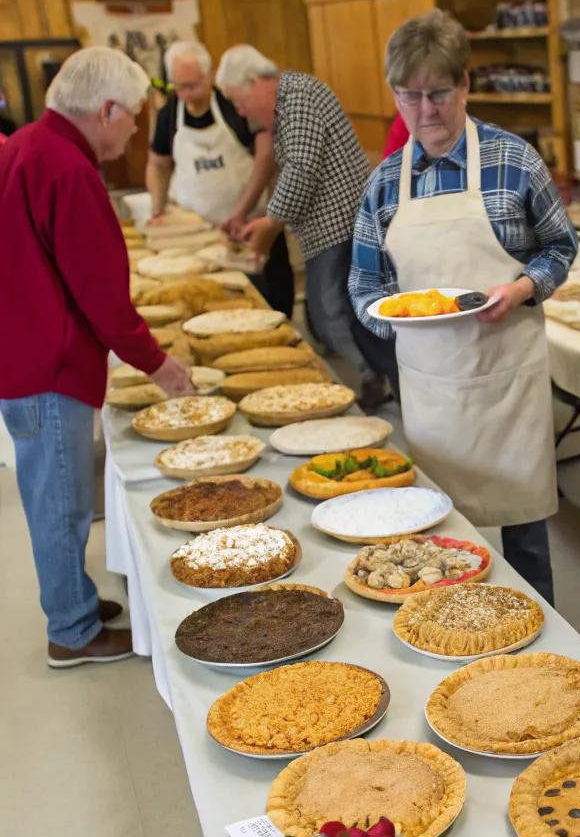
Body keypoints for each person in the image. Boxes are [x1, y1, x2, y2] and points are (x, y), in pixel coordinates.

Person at [350, 10, 578, 604]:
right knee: (441, 543)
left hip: (507, 381)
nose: (425, 112)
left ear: (466, 85)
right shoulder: (384, 184)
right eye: (410, 96)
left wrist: (523, 288)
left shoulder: (514, 162)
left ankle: (541, 641)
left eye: (439, 94)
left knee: (525, 534)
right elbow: (363, 286)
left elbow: (560, 246)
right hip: (432, 390)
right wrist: (396, 316)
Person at [0, 47, 193, 667]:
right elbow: (102, 297)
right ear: (106, 109)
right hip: (46, 365)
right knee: (60, 502)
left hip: (24, 350)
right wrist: (159, 365)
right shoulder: (68, 169)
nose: (136, 128)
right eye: (133, 115)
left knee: (53, 494)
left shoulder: (29, 144)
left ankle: (73, 601)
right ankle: (72, 631)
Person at [216, 44, 394, 408]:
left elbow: (300, 168)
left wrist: (270, 221)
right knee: (331, 313)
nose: (241, 111)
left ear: (254, 83)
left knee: (330, 312)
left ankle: (378, 378)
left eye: (239, 101)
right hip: (328, 228)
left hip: (342, 223)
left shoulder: (297, 95)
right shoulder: (288, 101)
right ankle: (374, 377)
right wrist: (267, 218)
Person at [144, 39, 294, 316]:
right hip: (199, 236)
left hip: (251, 227)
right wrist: (157, 209)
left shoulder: (234, 105)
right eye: (179, 86)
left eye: (193, 85)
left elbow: (267, 158)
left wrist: (246, 212)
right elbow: (158, 165)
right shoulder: (169, 115)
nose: (186, 94)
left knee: (268, 306)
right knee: (212, 305)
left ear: (209, 74)